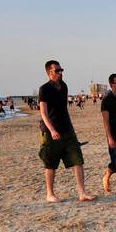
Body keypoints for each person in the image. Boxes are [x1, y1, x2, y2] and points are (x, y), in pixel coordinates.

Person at [37, 60, 95, 203]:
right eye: (57, 71)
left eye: (61, 70)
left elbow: (63, 110)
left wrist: (71, 128)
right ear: (49, 72)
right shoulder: (44, 89)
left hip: (68, 130)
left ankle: (82, 193)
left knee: (77, 160)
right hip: (51, 132)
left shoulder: (63, 86)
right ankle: (50, 194)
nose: (60, 73)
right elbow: (43, 113)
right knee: (51, 163)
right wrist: (52, 130)